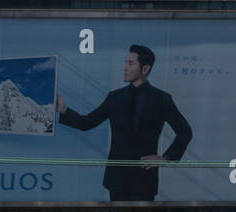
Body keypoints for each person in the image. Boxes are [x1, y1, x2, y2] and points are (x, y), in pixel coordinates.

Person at [56, 44, 192, 202]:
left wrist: (165, 158)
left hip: (144, 180)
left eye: (130, 63)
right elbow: (86, 123)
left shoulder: (161, 99)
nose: (125, 68)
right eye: (125, 63)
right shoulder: (115, 97)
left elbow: (185, 132)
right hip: (116, 179)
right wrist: (64, 110)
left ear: (145, 69)